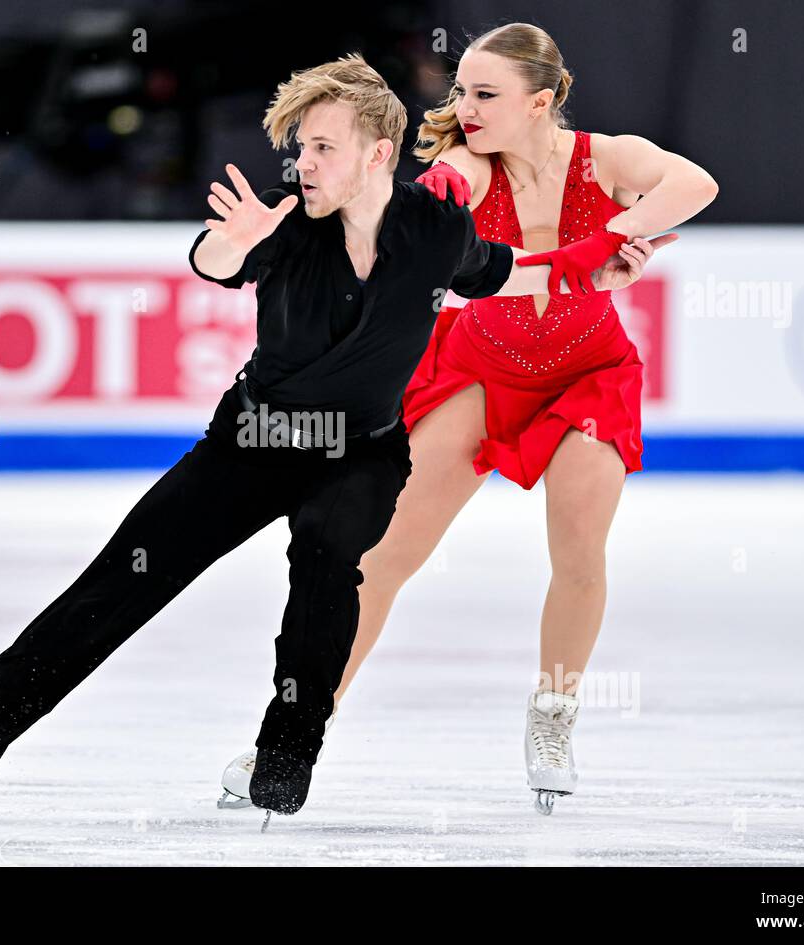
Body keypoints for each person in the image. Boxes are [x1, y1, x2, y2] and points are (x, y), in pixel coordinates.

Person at [0, 53, 666, 825]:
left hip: (358, 457)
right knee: (107, 594)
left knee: (326, 555)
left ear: (379, 154)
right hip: (249, 445)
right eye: (299, 147)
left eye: (322, 147)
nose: (303, 164)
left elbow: (508, 269)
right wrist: (227, 245)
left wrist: (594, 266)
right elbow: (215, 260)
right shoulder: (281, 227)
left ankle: (288, 750)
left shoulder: (433, 231)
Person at [220, 24, 712, 816]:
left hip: (588, 373)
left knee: (580, 550)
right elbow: (435, 198)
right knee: (378, 558)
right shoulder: (466, 168)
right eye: (461, 93)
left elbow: (694, 183)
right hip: (478, 374)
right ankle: (298, 729)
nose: (463, 108)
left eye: (485, 94)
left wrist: (611, 239)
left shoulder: (607, 158)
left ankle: (552, 718)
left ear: (540, 102)